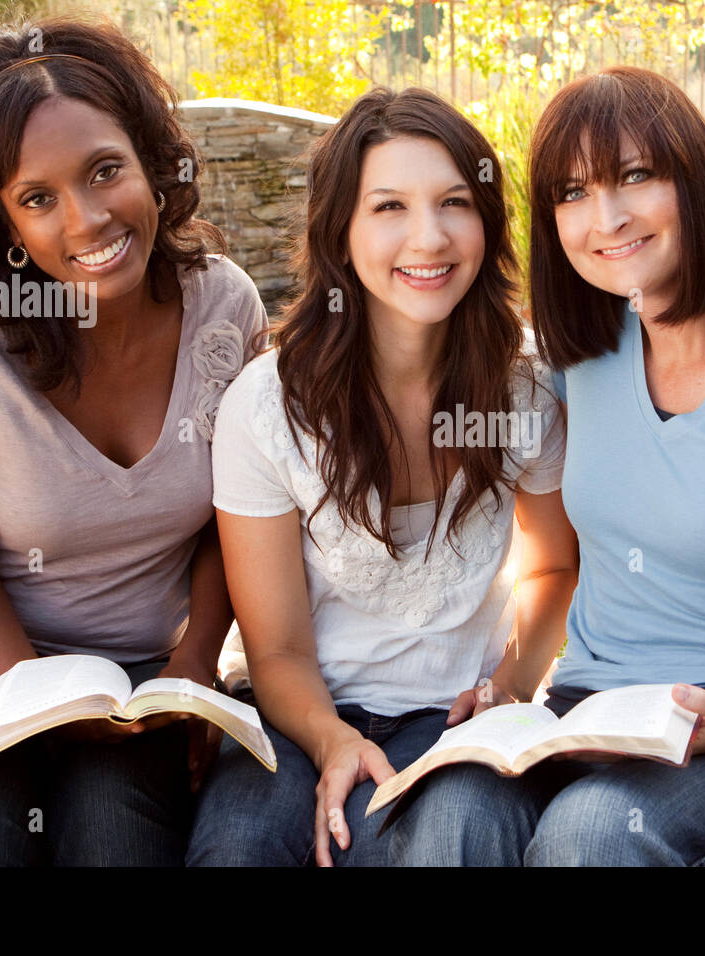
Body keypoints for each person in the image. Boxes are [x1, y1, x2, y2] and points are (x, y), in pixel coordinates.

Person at [389, 66, 705, 867]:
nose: (606, 217)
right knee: (454, 814)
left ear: (692, 180)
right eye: (573, 192)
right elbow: (550, 561)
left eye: (635, 177)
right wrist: (511, 689)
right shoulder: (572, 364)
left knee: (588, 837)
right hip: (591, 715)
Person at [0, 16, 267, 865]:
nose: (87, 219)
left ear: (152, 165)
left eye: (104, 171)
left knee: (113, 843)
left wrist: (195, 659)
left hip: (140, 684)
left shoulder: (224, 309)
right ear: (6, 222)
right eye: (38, 198)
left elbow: (233, 521)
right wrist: (46, 701)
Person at [185, 86, 576, 867]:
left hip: (462, 714)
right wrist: (334, 741)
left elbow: (555, 566)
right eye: (389, 207)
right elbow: (279, 650)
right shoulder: (268, 405)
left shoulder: (525, 390)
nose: (427, 237)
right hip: (298, 713)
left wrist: (507, 684)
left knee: (458, 838)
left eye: (455, 202)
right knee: (239, 851)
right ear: (341, 230)